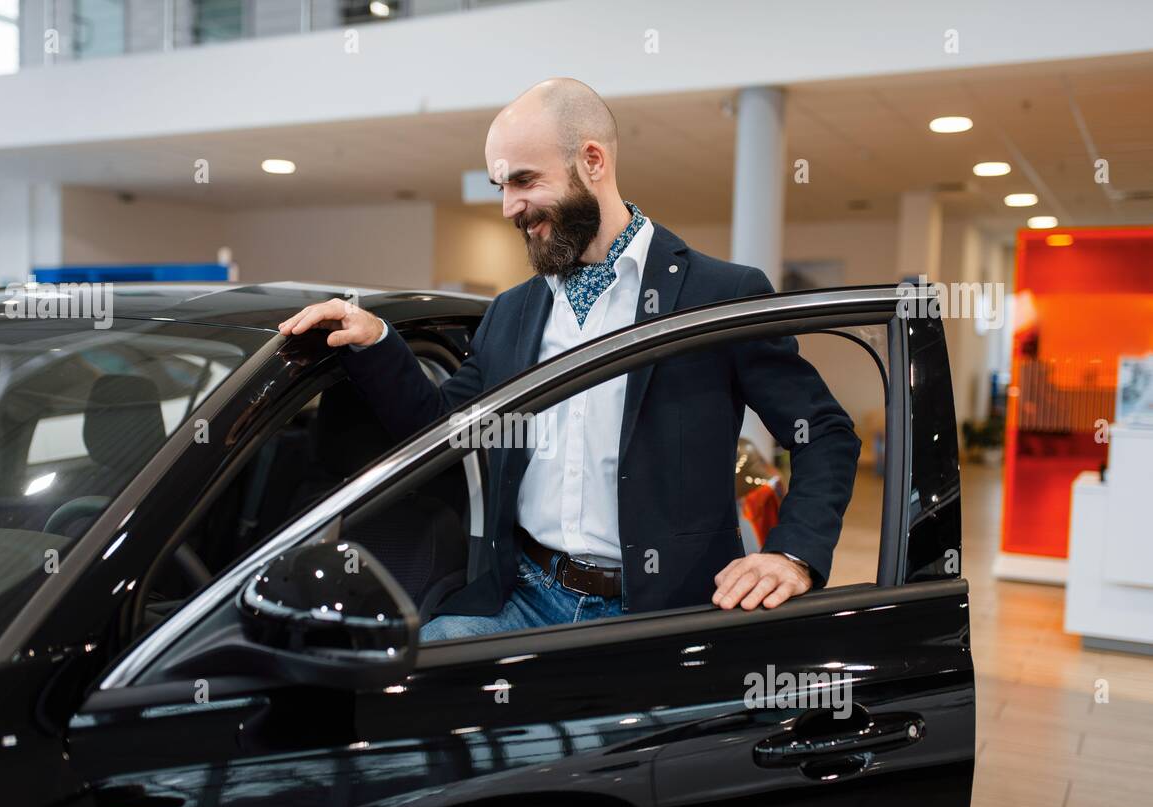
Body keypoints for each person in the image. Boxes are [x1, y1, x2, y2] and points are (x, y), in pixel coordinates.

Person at [279, 77, 859, 642]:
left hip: (663, 615)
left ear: (592, 161)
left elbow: (824, 432)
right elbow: (444, 431)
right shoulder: (511, 313)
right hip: (523, 601)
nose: (509, 207)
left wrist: (792, 552)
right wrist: (377, 340)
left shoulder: (718, 292)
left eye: (525, 181)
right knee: (405, 699)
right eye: (500, 185)